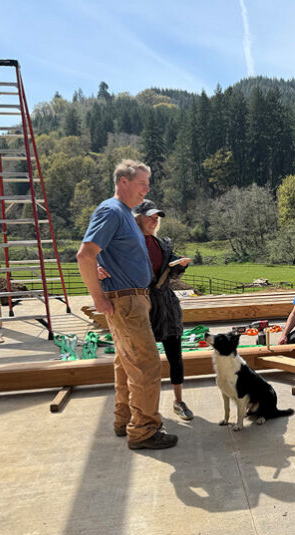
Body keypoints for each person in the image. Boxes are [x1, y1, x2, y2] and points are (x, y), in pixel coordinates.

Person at [77, 159, 177, 450]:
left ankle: (125, 420)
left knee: (125, 364)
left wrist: (100, 273)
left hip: (131, 299)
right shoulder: (111, 210)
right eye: (142, 184)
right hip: (127, 301)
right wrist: (97, 296)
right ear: (123, 182)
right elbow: (86, 255)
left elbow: (99, 256)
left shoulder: (122, 213)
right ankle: (144, 430)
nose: (147, 190)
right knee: (146, 365)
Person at [97, 199, 194, 421]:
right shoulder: (123, 243)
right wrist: (96, 268)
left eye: (156, 217)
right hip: (136, 304)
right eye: (149, 216)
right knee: (136, 359)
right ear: (136, 217)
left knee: (174, 354)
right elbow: (97, 256)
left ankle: (178, 401)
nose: (154, 221)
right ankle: (139, 410)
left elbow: (170, 270)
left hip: (165, 305)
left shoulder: (161, 245)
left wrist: (180, 266)